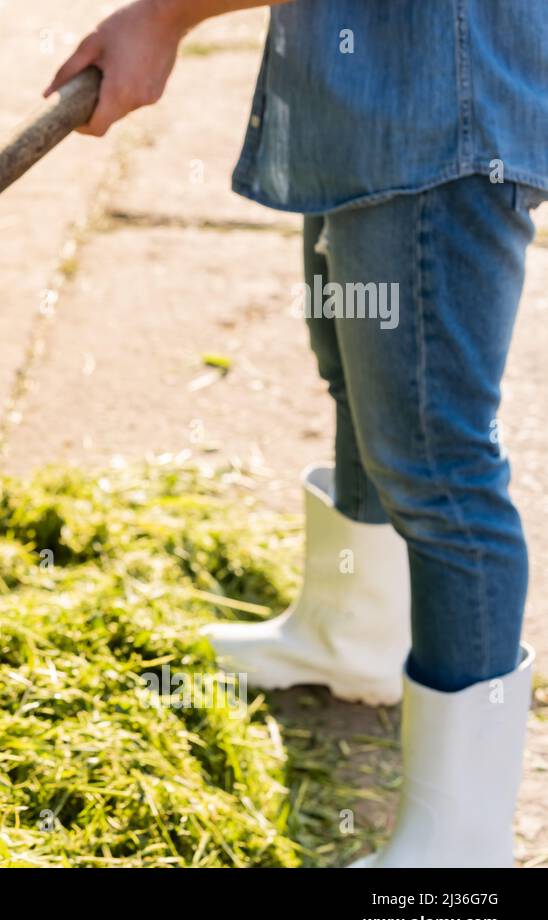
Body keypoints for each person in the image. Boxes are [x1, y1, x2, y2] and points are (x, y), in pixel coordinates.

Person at [48, 0, 546, 867]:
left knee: (439, 460)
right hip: (376, 94)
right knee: (363, 384)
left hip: (436, 113)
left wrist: (165, 19)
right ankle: (352, 633)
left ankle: (461, 854)